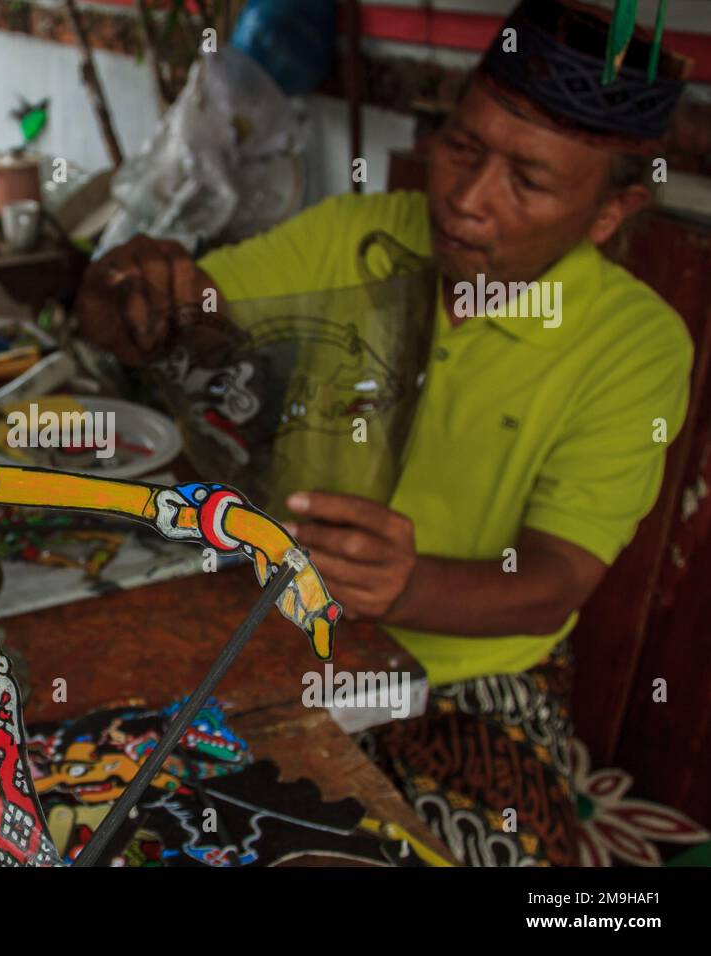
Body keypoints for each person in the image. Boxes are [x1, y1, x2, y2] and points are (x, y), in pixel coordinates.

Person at [75, 0, 693, 866]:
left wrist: (401, 589)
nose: (467, 200)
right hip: (272, 619)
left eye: (527, 181)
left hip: (469, 676)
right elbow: (187, 310)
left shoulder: (635, 344)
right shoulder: (356, 233)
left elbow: (554, 580)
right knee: (115, 814)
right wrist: (131, 290)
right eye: (462, 148)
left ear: (606, 213)